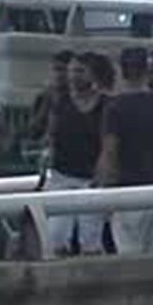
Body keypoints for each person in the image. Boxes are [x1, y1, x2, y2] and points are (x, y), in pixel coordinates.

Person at [98, 48, 153, 254]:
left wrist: (106, 191)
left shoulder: (115, 108)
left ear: (122, 71)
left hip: (126, 193)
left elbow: (110, 153)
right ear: (148, 71)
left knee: (129, 256)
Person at [48, 53, 113, 255]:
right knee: (55, 236)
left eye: (80, 71)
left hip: (91, 179)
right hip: (62, 175)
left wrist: (102, 176)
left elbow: (107, 144)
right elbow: (52, 135)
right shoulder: (61, 102)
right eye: (71, 71)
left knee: (90, 239)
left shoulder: (107, 105)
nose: (73, 76)